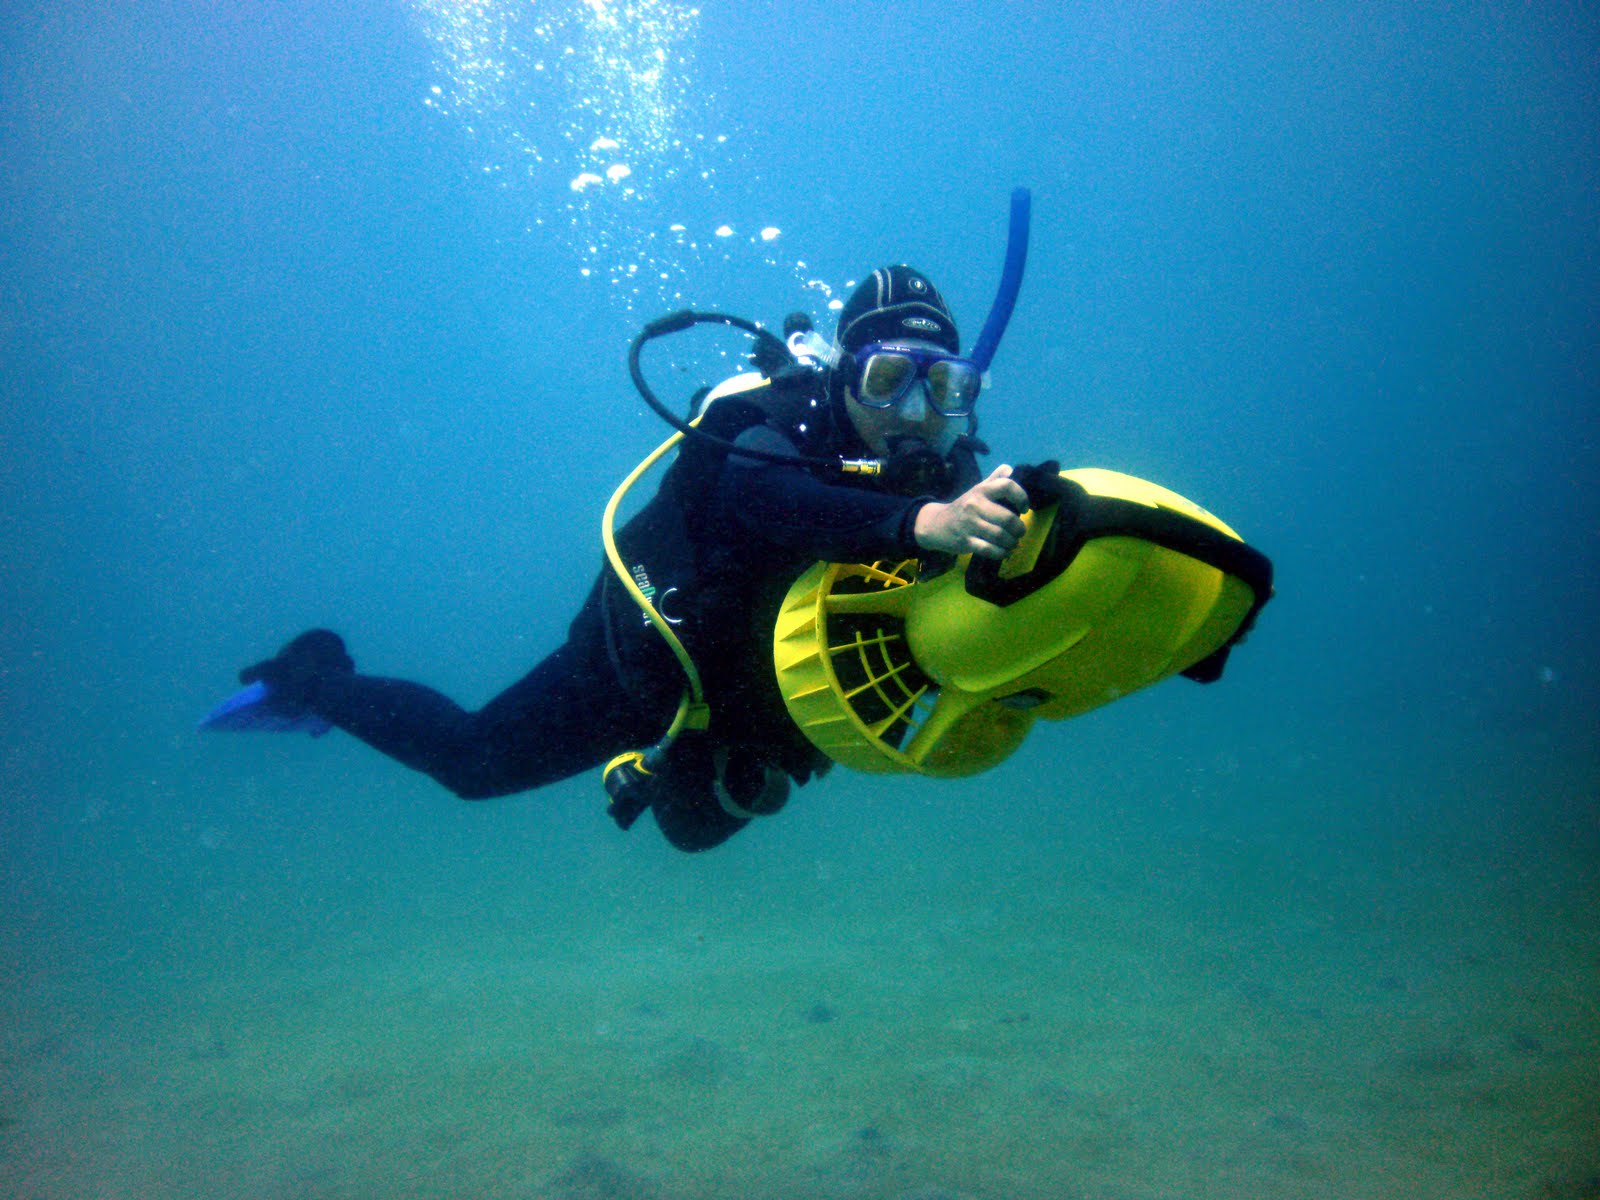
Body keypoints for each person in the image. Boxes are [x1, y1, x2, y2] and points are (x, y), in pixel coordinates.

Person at [233, 266, 1030, 851]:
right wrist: (924, 521)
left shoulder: (948, 477)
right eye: (887, 378)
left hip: (765, 690)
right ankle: (310, 678)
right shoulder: (772, 418)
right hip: (640, 658)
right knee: (473, 764)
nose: (916, 413)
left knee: (694, 833)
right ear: (842, 373)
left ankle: (684, 766)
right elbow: (760, 496)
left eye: (946, 387)